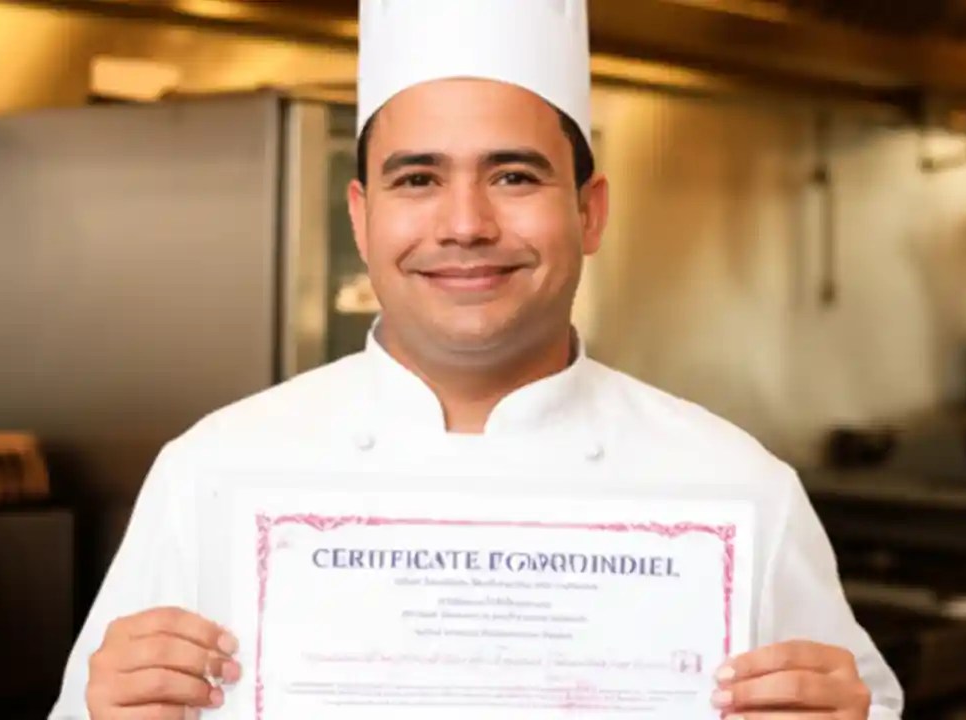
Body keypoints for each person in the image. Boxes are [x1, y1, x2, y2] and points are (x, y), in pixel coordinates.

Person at [50, 0, 904, 718]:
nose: (464, 224)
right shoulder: (211, 473)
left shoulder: (738, 488)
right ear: (361, 217)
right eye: (417, 179)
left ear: (590, 212)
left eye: (514, 177)